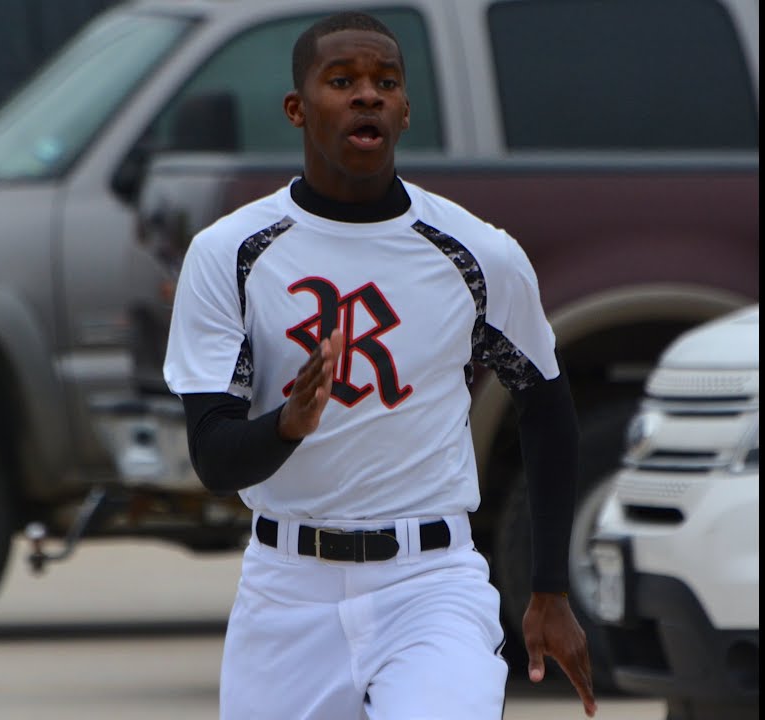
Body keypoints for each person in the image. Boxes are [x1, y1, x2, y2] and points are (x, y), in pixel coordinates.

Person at [163, 11, 597, 719]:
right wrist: (289, 424)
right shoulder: (232, 254)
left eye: (384, 82)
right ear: (297, 109)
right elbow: (214, 456)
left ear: (403, 110)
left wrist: (549, 589)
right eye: (342, 81)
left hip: (430, 582)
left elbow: (546, 407)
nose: (367, 95)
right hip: (286, 590)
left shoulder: (476, 254)